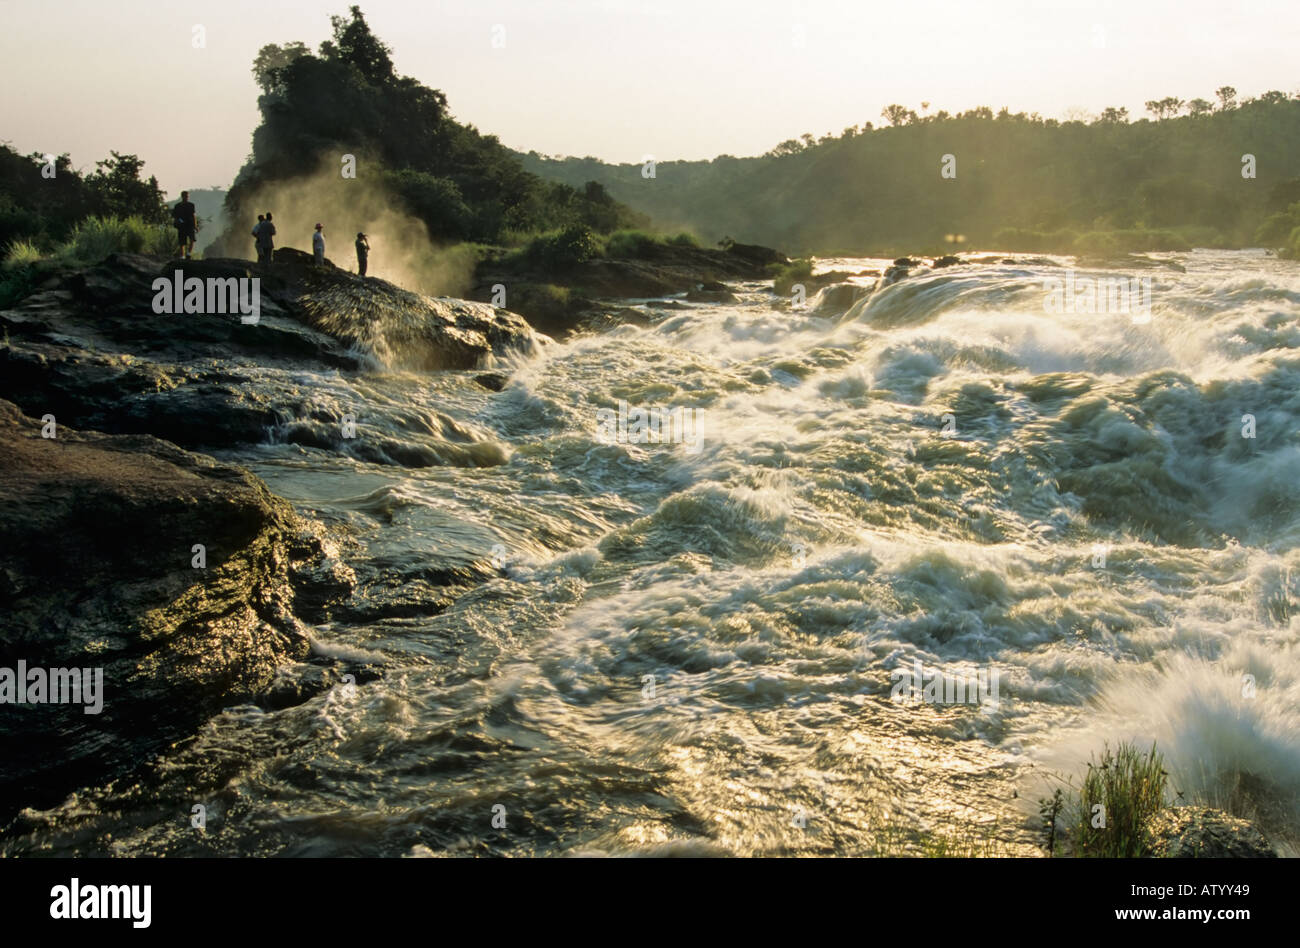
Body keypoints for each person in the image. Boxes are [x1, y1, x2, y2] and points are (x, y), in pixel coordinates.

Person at [174, 191, 198, 259]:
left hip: (190, 225)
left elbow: (194, 216)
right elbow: (176, 217)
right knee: (182, 243)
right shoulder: (178, 206)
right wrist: (181, 221)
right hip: (182, 226)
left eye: (187, 196)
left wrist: (195, 225)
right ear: (182, 196)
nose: (186, 198)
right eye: (185, 196)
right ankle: (182, 256)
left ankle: (188, 254)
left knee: (192, 239)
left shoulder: (191, 205)